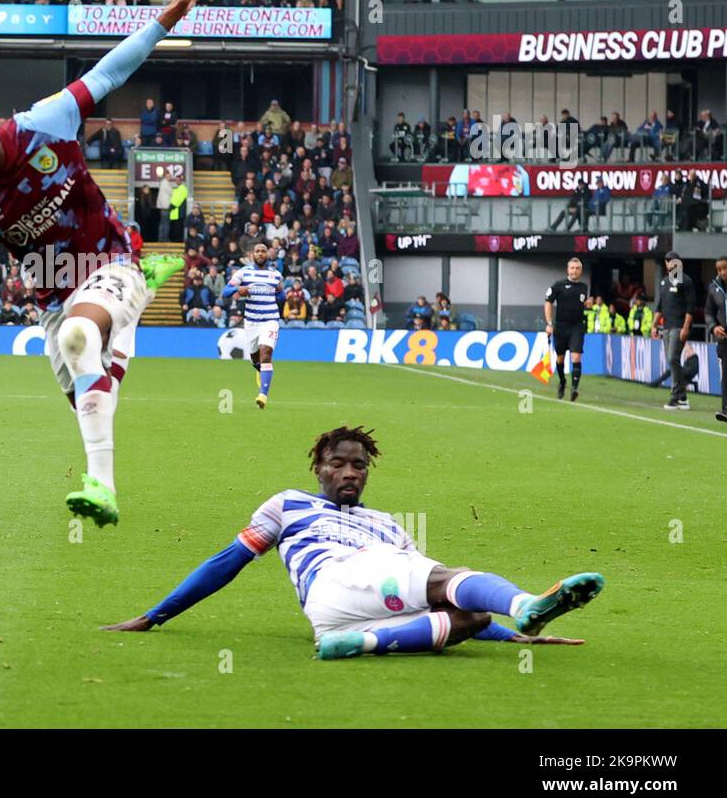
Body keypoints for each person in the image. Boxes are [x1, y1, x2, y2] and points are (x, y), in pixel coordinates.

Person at [0, 0, 220, 528]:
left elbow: (110, 71)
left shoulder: (45, 123)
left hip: (110, 260)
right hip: (55, 299)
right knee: (91, 394)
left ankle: (101, 488)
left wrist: (174, 12)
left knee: (86, 336)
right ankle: (126, 328)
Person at [103, 427, 602, 659]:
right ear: (318, 468)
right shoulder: (288, 504)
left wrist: (512, 637)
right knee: (450, 578)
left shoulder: (388, 524)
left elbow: (446, 595)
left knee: (473, 618)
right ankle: (526, 602)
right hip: (334, 579)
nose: (348, 472)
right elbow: (227, 563)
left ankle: (355, 644)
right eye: (337, 463)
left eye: (358, 465)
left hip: (351, 613)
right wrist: (155, 615)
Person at [222, 243, 282, 409]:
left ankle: (263, 395)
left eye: (263, 251)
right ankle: (260, 371)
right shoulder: (244, 272)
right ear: (252, 254)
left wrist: (283, 292)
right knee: (256, 359)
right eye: (258, 251)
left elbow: (281, 293)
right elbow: (225, 291)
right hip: (252, 322)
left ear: (267, 254)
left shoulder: (275, 274)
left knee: (266, 353)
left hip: (270, 320)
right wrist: (239, 288)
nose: (261, 253)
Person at [654, 251, 695, 411]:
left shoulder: (685, 281)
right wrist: (654, 324)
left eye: (672, 261)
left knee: (672, 358)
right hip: (666, 327)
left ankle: (675, 396)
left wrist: (686, 327)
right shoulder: (664, 282)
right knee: (673, 361)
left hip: (679, 326)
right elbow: (659, 306)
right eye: (667, 261)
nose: (669, 264)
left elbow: (691, 307)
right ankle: (683, 397)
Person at [544, 258, 588, 402]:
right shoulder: (559, 285)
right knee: (560, 358)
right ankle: (562, 382)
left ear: (580, 271)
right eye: (572, 268)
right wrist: (549, 323)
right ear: (567, 269)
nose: (574, 270)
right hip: (561, 327)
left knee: (576, 357)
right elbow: (548, 302)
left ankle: (574, 388)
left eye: (577, 268)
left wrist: (588, 305)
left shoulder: (584, 287)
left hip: (577, 327)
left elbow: (582, 304)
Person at [707, 255, 727, 423]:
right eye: (719, 270)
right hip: (723, 338)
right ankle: (725, 409)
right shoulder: (713, 288)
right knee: (725, 374)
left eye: (725, 268)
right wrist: (714, 327)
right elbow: (708, 312)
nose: (722, 272)